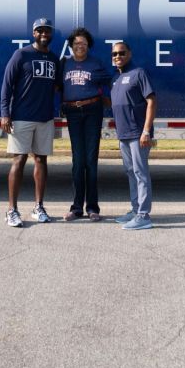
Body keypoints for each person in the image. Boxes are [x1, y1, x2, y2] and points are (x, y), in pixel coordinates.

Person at [0, 18, 59, 227]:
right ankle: (11, 210)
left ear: (51, 34)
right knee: (19, 160)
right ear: (34, 33)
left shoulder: (53, 58)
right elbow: (7, 85)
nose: (44, 34)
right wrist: (5, 114)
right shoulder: (21, 55)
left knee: (41, 161)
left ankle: (38, 207)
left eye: (47, 31)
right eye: (40, 31)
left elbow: (58, 86)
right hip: (22, 117)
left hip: (44, 118)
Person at [60, 27, 111, 222]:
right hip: (73, 113)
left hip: (92, 111)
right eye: (76, 43)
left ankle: (92, 207)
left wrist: (108, 99)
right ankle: (76, 207)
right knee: (77, 161)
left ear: (88, 45)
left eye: (83, 43)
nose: (79, 46)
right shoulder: (64, 64)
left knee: (91, 161)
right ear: (71, 46)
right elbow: (56, 86)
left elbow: (110, 81)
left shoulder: (96, 63)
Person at [109, 41, 156, 230]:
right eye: (114, 54)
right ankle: (136, 209)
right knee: (130, 172)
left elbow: (151, 101)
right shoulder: (116, 79)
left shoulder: (139, 73)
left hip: (138, 134)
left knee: (140, 173)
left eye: (121, 53)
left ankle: (144, 216)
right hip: (124, 134)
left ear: (129, 53)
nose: (117, 57)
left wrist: (146, 131)